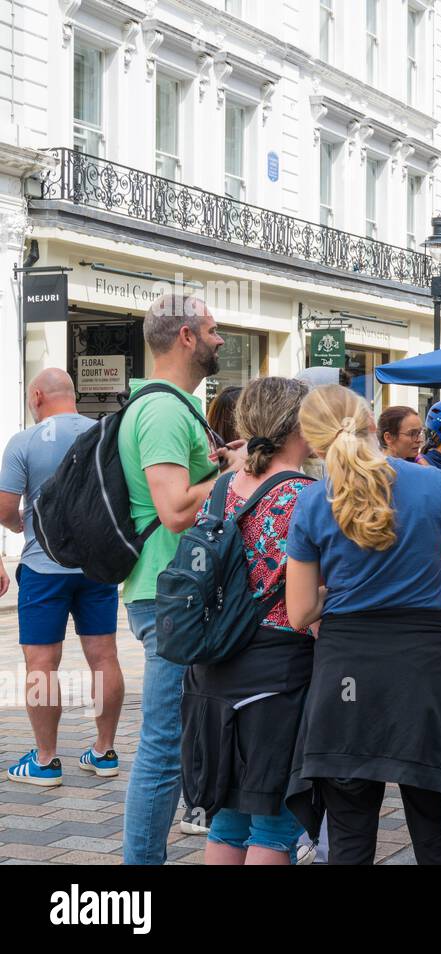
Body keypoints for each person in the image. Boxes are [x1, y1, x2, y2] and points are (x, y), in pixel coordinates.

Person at [284, 385, 441, 865]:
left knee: (350, 838)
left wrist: (341, 589)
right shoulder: (437, 486)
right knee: (437, 834)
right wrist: (423, 570)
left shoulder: (313, 501)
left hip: (346, 676)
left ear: (314, 444)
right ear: (374, 426)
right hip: (421, 671)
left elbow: (298, 613)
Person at [120, 294, 245, 865]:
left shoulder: (172, 405)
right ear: (187, 337)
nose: (222, 340)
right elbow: (173, 510)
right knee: (164, 746)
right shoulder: (165, 411)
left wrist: (223, 463)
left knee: (184, 736)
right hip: (172, 595)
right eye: (214, 330)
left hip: (177, 592)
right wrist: (236, 473)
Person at [182, 377, 315, 865]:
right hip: (278, 674)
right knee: (275, 826)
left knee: (226, 818)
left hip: (213, 671)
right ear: (299, 427)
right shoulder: (306, 496)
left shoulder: (219, 491)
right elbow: (313, 596)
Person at [1, 369, 123, 787]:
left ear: (36, 395)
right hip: (97, 566)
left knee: (41, 664)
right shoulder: (105, 434)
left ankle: (46, 760)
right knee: (104, 657)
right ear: (71, 395)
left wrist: (21, 527)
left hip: (42, 567)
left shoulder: (24, 441)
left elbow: (4, 508)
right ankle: (105, 752)